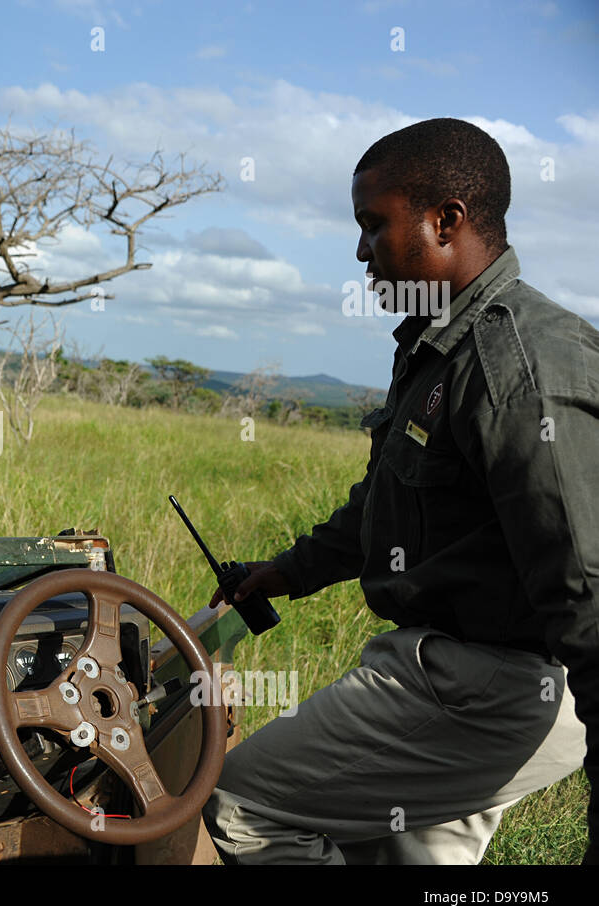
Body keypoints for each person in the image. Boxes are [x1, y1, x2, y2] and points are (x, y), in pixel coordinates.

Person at [201, 118, 596, 864]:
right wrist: (284, 574)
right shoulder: (436, 347)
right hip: (462, 678)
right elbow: (390, 507)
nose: (360, 252)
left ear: (445, 220)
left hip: (483, 689)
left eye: (372, 225)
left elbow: (588, 597)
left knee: (236, 803)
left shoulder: (516, 366)